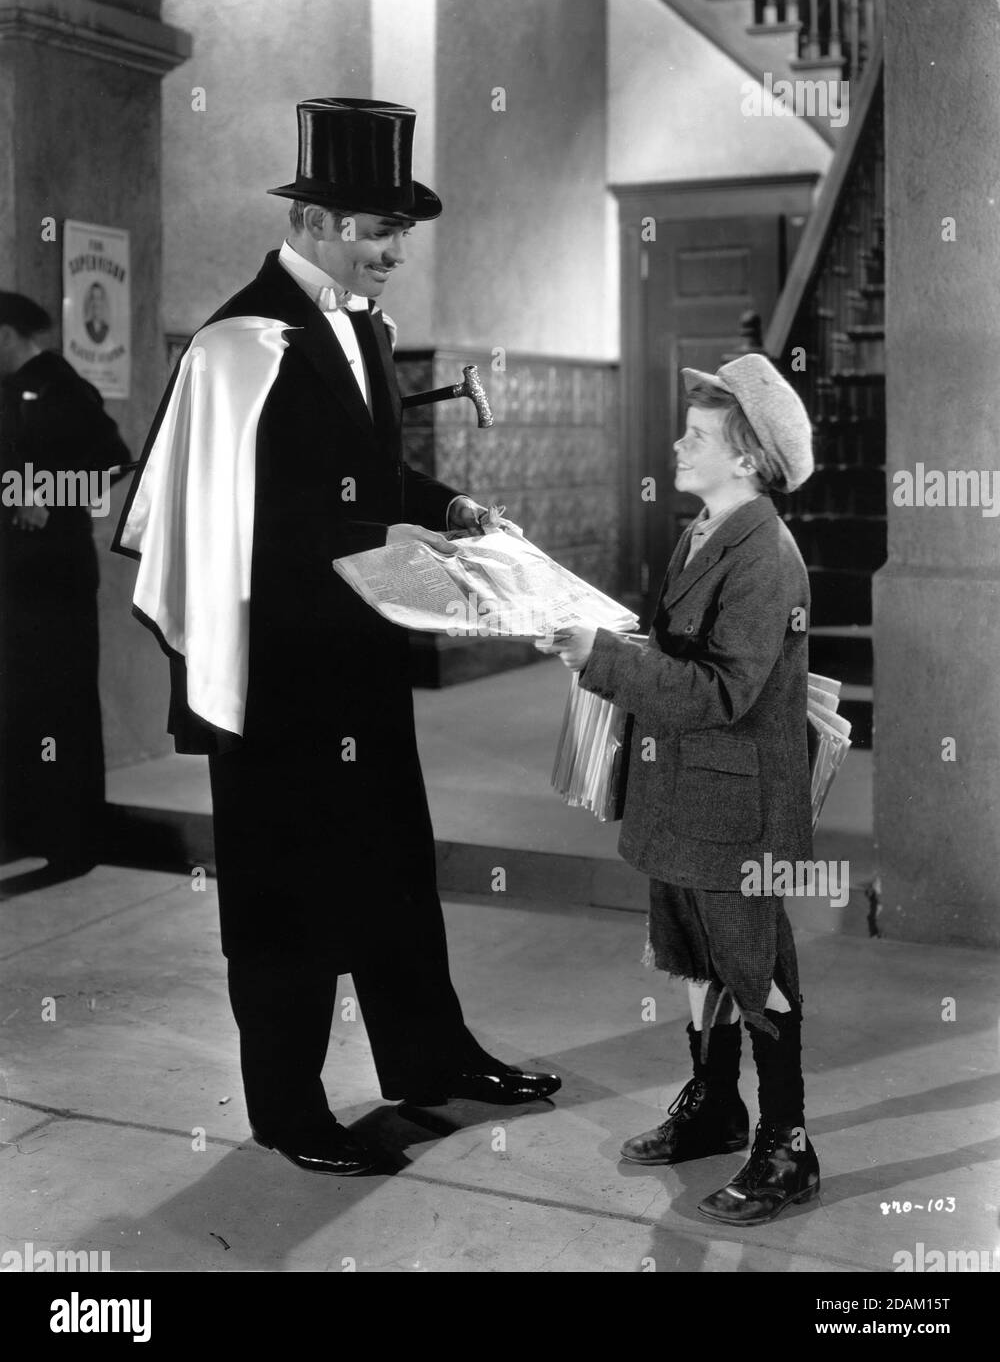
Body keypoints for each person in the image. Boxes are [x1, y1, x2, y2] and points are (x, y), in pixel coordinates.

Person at [113, 98, 560, 1177]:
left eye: (401, 230)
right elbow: (231, 529)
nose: (395, 252)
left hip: (360, 663)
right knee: (284, 897)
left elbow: (359, 476)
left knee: (393, 866)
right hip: (276, 680)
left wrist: (449, 511)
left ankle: (429, 1056)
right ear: (312, 220)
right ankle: (286, 1107)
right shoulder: (239, 344)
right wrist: (384, 534)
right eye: (377, 230)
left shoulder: (360, 327)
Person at [539, 354, 819, 1225]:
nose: (678, 443)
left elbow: (724, 693)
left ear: (745, 457)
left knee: (751, 964)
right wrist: (613, 643)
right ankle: (715, 1106)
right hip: (684, 794)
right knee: (697, 958)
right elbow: (682, 659)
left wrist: (607, 661)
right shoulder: (704, 530)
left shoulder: (765, 554)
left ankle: (788, 1143)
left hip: (735, 808)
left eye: (696, 436)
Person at [0, 291, 129, 881]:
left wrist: (46, 494)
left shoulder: (61, 386)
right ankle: (23, 828)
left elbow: (115, 461)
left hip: (52, 576)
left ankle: (70, 840)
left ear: (8, 333)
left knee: (58, 703)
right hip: (13, 574)